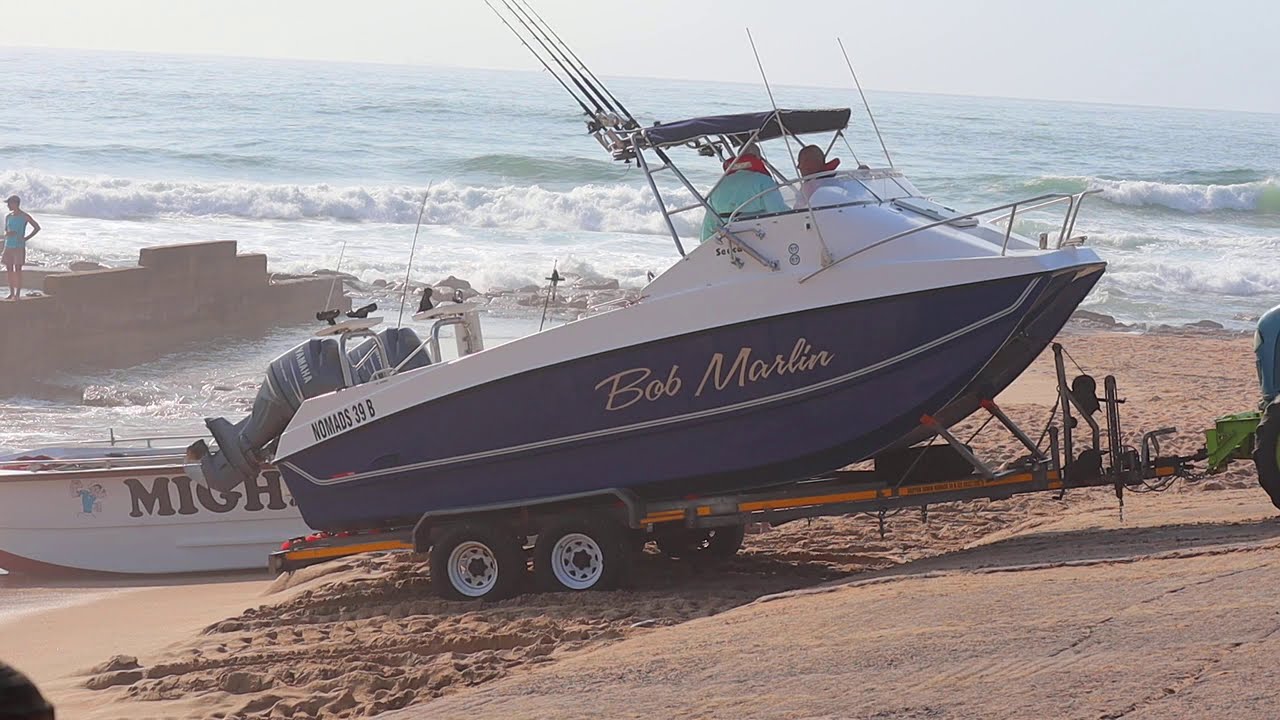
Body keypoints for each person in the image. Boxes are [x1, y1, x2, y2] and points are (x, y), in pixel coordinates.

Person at [699, 143, 788, 241]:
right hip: (758, 237)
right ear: (758, 158)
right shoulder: (764, 181)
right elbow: (778, 213)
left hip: (728, 239)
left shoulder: (719, 186)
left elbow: (708, 228)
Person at [795, 145, 874, 209]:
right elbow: (857, 190)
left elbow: (799, 210)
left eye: (800, 162)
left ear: (809, 163)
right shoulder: (836, 180)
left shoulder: (810, 186)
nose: (798, 167)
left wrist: (861, 175)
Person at [4, 195, 40, 301]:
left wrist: (26, 238)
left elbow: (37, 227)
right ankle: (11, 293)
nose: (8, 206)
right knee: (9, 270)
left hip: (18, 246)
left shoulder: (24, 216)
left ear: (15, 203)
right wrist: (8, 233)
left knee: (17, 270)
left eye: (9, 203)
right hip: (8, 246)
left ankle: (17, 294)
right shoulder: (8, 216)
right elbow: (7, 230)